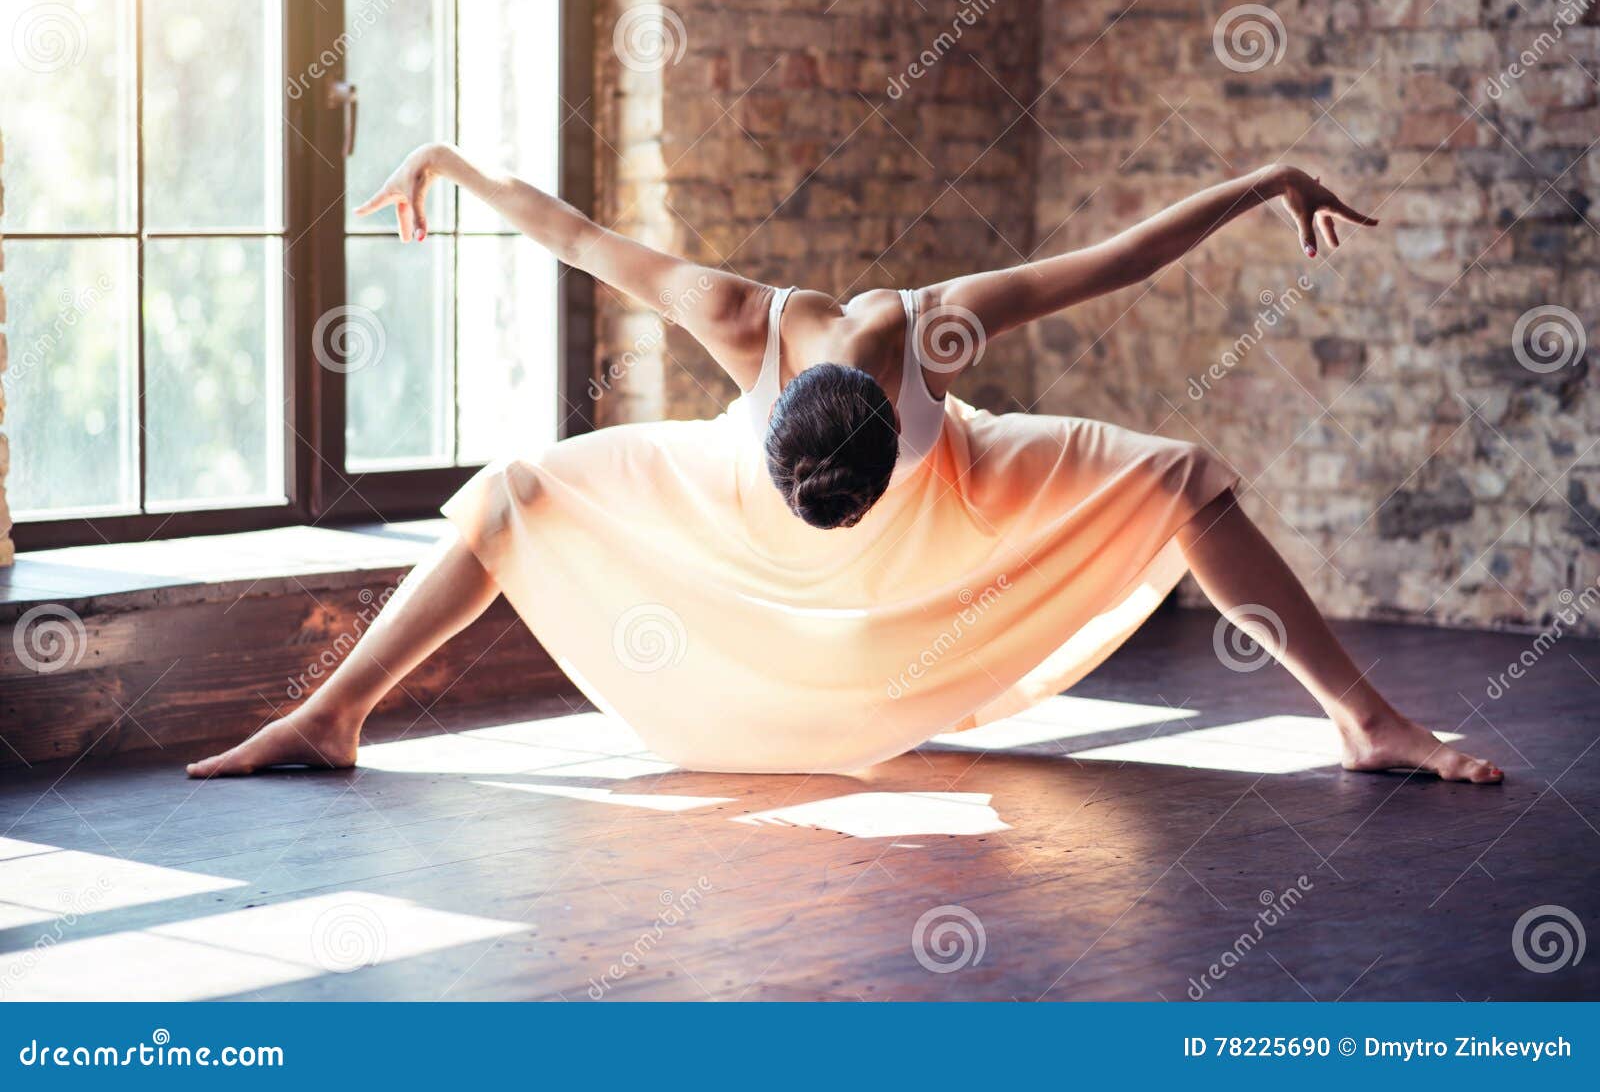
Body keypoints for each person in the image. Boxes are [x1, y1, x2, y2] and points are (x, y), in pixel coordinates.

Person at [186, 145, 1502, 784]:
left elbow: (1117, 263)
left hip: (956, 493)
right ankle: (334, 713)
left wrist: (1267, 178)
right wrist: (449, 166)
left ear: (881, 409)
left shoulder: (929, 326)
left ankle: (1368, 717)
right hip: (731, 501)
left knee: (1184, 476)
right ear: (789, 414)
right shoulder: (734, 316)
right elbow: (576, 234)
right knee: (515, 490)